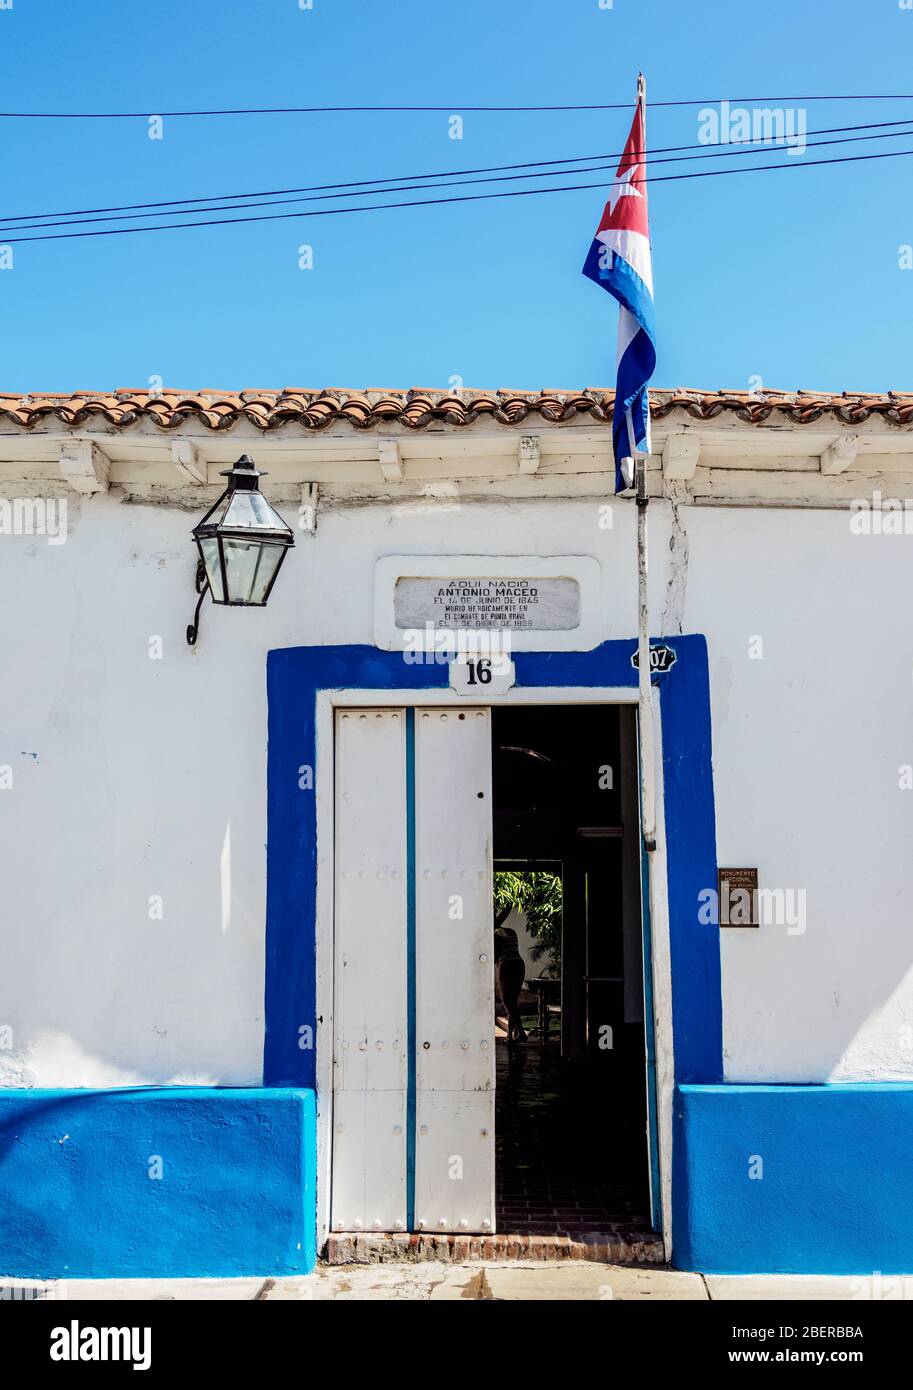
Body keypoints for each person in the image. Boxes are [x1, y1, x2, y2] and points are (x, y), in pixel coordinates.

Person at [494, 914, 528, 1044]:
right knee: (512, 1000)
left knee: (507, 1000)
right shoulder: (511, 931)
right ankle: (510, 1035)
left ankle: (521, 1032)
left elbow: (496, 955)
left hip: (506, 966)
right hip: (519, 964)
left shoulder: (496, 934)